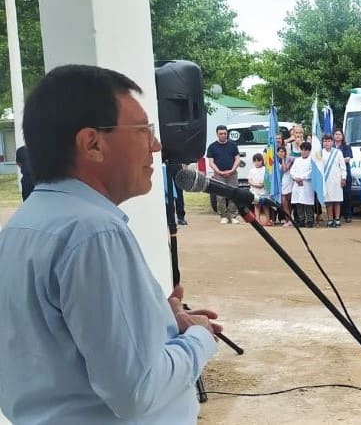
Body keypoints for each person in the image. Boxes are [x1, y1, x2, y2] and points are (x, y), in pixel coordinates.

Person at [0, 65, 219, 423]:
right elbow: (136, 391)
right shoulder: (93, 233)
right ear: (93, 144)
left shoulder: (25, 224)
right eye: (143, 130)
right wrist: (199, 338)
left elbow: (59, 347)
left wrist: (160, 321)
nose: (156, 145)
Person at [206, 124, 241, 224]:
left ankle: (233, 215)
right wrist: (219, 172)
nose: (223, 135)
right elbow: (211, 162)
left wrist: (232, 170)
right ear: (217, 134)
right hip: (218, 174)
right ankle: (223, 216)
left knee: (234, 194)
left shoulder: (233, 145)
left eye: (225, 133)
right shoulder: (212, 147)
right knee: (220, 195)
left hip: (232, 174)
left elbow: (237, 159)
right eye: (221, 134)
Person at [315, 134, 346, 228]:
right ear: (322, 143)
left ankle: (337, 219)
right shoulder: (320, 153)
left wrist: (343, 177)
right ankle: (330, 219)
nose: (327, 143)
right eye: (325, 141)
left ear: (332, 142)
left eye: (329, 141)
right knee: (328, 201)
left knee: (337, 201)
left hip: (337, 179)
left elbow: (343, 167)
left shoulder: (338, 152)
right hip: (326, 181)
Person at [290, 142, 315, 227]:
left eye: (306, 150)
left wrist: (302, 178)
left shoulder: (312, 160)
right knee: (298, 202)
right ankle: (301, 220)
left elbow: (311, 172)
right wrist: (296, 177)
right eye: (302, 150)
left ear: (309, 151)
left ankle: (310, 220)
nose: (303, 152)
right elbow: (292, 170)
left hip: (307, 184)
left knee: (308, 203)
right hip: (297, 184)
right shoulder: (297, 160)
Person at [333, 129, 354, 223]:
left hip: (345, 173)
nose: (337, 136)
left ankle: (348, 215)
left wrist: (337, 160)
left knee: (347, 195)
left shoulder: (346, 147)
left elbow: (348, 159)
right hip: (333, 174)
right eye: (336, 134)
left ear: (342, 136)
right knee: (336, 195)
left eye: (339, 134)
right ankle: (337, 215)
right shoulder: (331, 147)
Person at [247, 152, 271, 226]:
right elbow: (249, 180)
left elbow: (268, 178)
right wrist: (256, 185)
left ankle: (268, 220)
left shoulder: (265, 169)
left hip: (264, 191)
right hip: (255, 191)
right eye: (255, 161)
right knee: (256, 205)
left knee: (265, 205)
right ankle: (258, 220)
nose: (257, 163)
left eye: (259, 161)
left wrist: (264, 184)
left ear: (262, 161)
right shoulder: (252, 170)